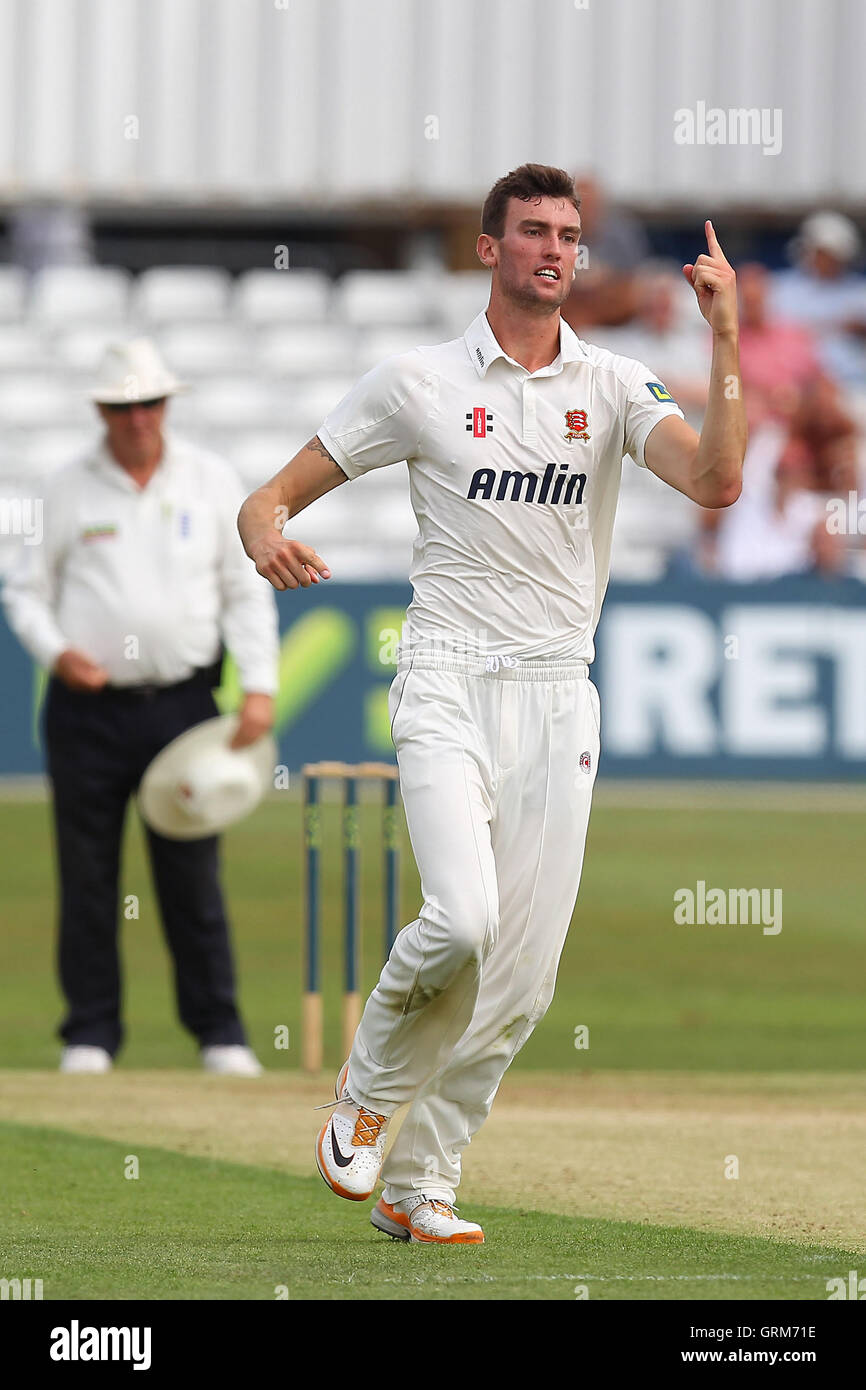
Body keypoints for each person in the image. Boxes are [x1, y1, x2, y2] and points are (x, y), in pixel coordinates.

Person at [238, 164, 746, 1244]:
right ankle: (367, 1089)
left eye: (567, 234)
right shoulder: (417, 383)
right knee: (461, 918)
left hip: (560, 695)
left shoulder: (611, 385)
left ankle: (421, 1183)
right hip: (445, 676)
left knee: (520, 979)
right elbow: (269, 494)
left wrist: (723, 341)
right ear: (488, 248)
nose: (553, 249)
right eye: (530, 232)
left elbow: (713, 483)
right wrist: (265, 532)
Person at [2, 339, 279, 1076]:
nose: (138, 420)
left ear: (167, 404)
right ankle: (90, 1033)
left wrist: (259, 685)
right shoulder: (65, 486)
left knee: (192, 872)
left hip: (184, 704)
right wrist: (58, 651)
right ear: (102, 410)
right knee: (87, 874)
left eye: (150, 404)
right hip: (87, 710)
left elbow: (242, 587)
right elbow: (25, 589)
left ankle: (219, 1031)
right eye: (124, 406)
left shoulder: (210, 479)